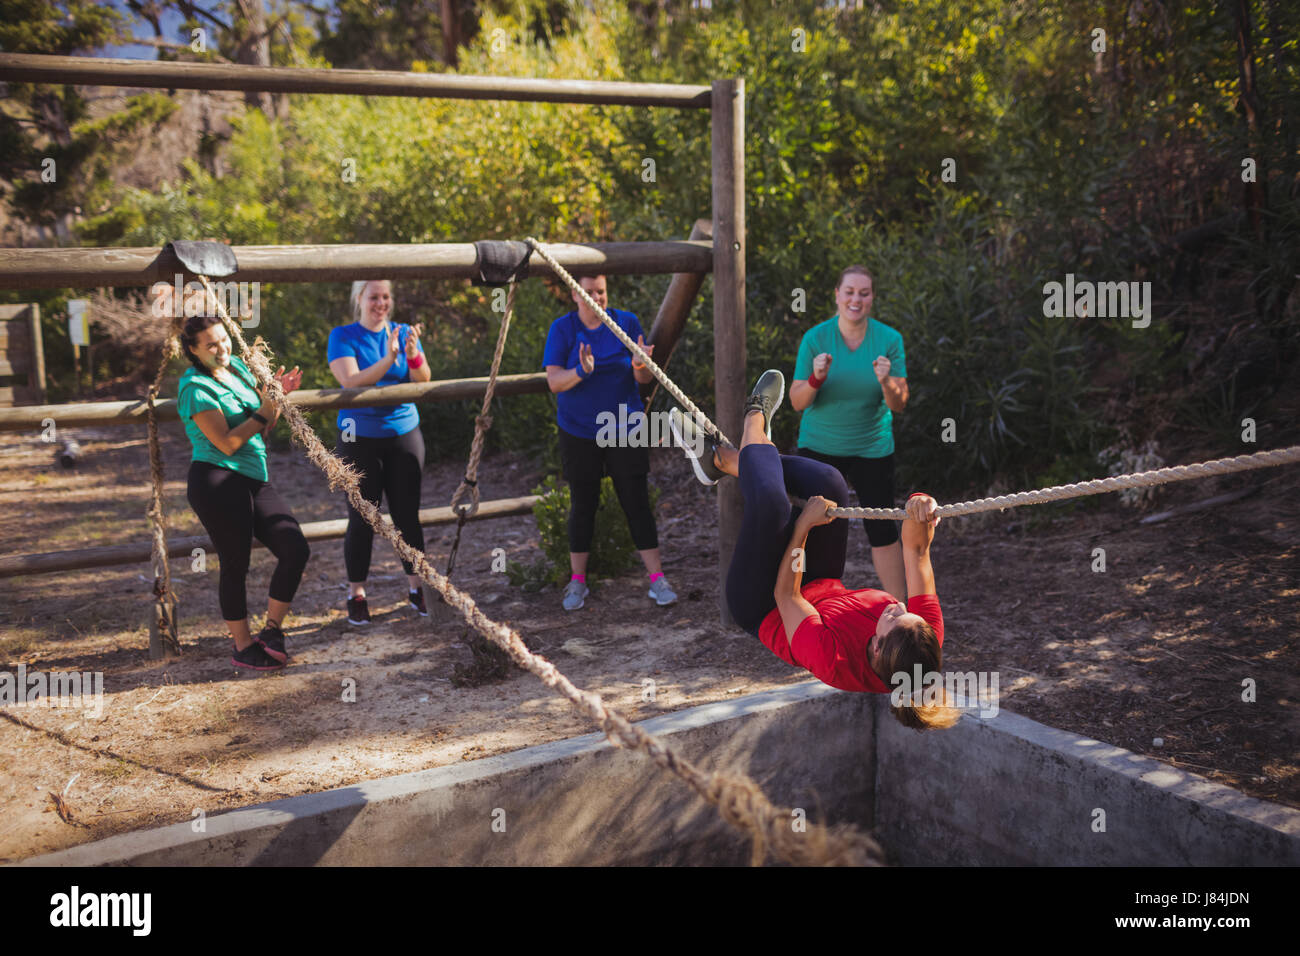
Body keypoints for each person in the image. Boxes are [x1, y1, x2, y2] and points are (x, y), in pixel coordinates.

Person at [668, 370, 958, 730]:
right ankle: (725, 461)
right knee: (831, 484)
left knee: (774, 506)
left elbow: (786, 594)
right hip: (822, 581)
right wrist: (921, 505)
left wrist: (804, 526)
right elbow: (916, 551)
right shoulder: (923, 639)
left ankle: (754, 418)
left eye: (893, 618)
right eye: (905, 612)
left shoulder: (835, 663)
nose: (898, 606)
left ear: (878, 650)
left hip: (765, 603)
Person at [177, 308, 308, 671]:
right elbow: (227, 442)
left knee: (294, 547)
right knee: (236, 563)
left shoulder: (237, 368)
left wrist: (277, 398)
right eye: (210, 345)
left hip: (254, 476)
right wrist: (266, 410)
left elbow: (264, 422)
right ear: (192, 350)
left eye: (224, 340)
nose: (221, 349)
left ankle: (271, 631)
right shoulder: (194, 387)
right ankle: (242, 646)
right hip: (217, 479)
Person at [542, 274, 677, 611]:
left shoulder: (626, 322)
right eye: (587, 292)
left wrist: (641, 365)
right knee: (583, 504)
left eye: (600, 291)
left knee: (636, 502)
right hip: (578, 429)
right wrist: (582, 371)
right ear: (574, 294)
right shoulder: (563, 329)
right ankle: (578, 583)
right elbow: (555, 381)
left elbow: (642, 377)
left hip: (625, 427)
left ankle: (657, 579)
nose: (595, 298)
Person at [787, 266, 910, 600]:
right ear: (837, 295)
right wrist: (815, 378)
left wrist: (886, 381)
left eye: (864, 293)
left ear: (871, 298)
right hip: (820, 447)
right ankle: (803, 603)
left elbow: (899, 404)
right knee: (812, 527)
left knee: (883, 530)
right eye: (850, 292)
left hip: (872, 448)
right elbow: (797, 401)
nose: (856, 299)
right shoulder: (815, 339)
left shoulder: (889, 340)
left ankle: (903, 611)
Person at [327, 280, 432, 625]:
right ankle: (356, 594)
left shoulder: (402, 331)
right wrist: (390, 358)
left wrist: (412, 353)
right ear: (359, 299)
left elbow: (423, 378)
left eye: (386, 296)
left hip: (403, 432)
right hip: (359, 436)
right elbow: (351, 381)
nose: (381, 303)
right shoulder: (342, 335)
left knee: (407, 516)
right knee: (362, 518)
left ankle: (418, 588)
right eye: (374, 297)